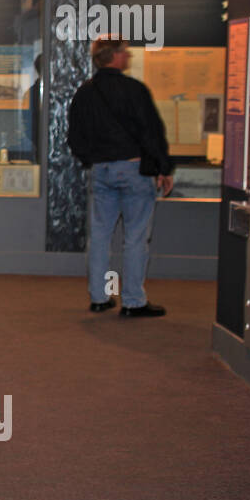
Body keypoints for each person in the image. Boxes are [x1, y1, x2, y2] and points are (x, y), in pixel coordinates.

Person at [66, 34, 174, 317]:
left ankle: (99, 297)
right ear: (114, 56)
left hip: (101, 170)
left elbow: (75, 136)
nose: (128, 57)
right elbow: (151, 131)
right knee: (136, 237)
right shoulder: (134, 90)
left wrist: (91, 159)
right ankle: (133, 301)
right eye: (125, 52)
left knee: (100, 235)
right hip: (134, 169)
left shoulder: (85, 92)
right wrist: (163, 168)